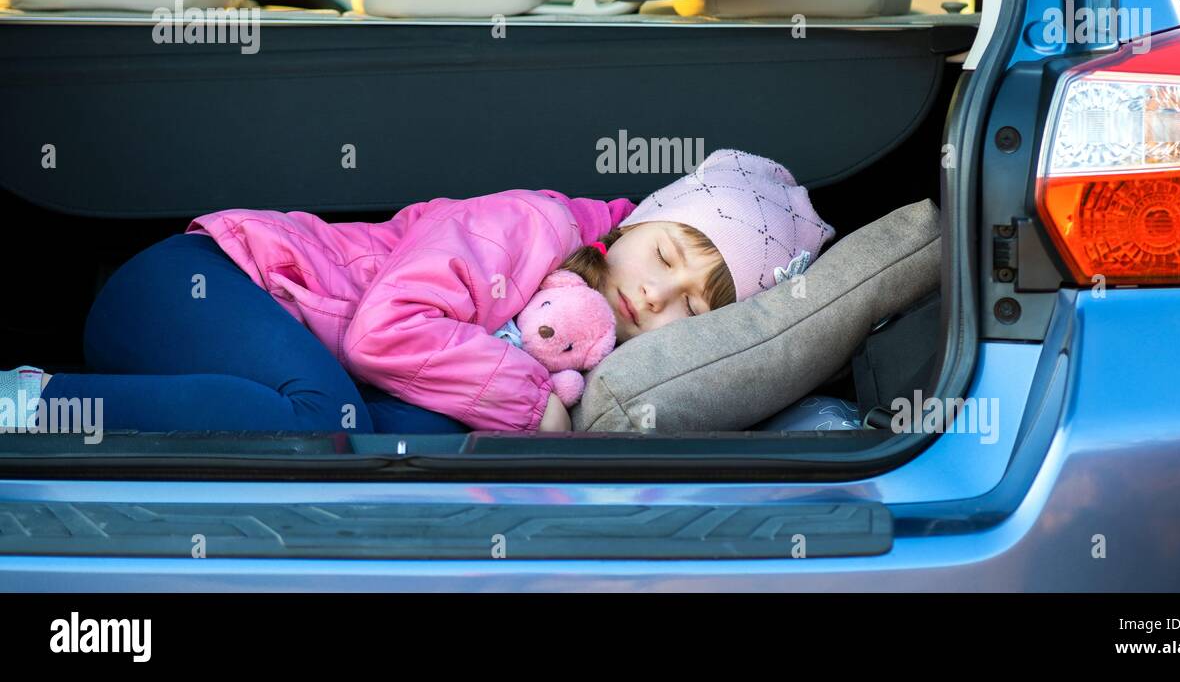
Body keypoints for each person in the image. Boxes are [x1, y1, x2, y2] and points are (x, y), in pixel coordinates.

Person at [0, 150, 834, 434]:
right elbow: (382, 335)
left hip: (202, 359)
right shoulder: (530, 228)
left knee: (386, 428)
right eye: (665, 256)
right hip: (189, 286)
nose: (659, 298)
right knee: (329, 419)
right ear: (631, 225)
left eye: (697, 303)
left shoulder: (592, 340)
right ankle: (29, 407)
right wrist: (527, 403)